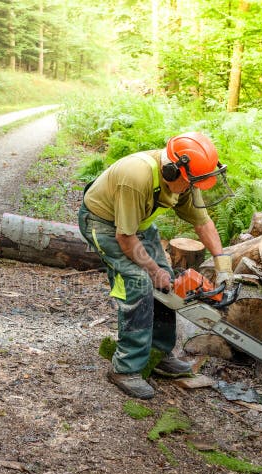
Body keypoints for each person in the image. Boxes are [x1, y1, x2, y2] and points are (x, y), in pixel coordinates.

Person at [78, 132, 232, 399]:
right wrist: (153, 270)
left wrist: (224, 265)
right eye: (191, 182)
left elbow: (202, 223)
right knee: (139, 283)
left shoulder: (185, 178)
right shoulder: (136, 177)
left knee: (167, 284)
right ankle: (125, 368)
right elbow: (124, 237)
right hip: (104, 223)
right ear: (173, 171)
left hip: (140, 224)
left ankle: (158, 353)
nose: (193, 187)